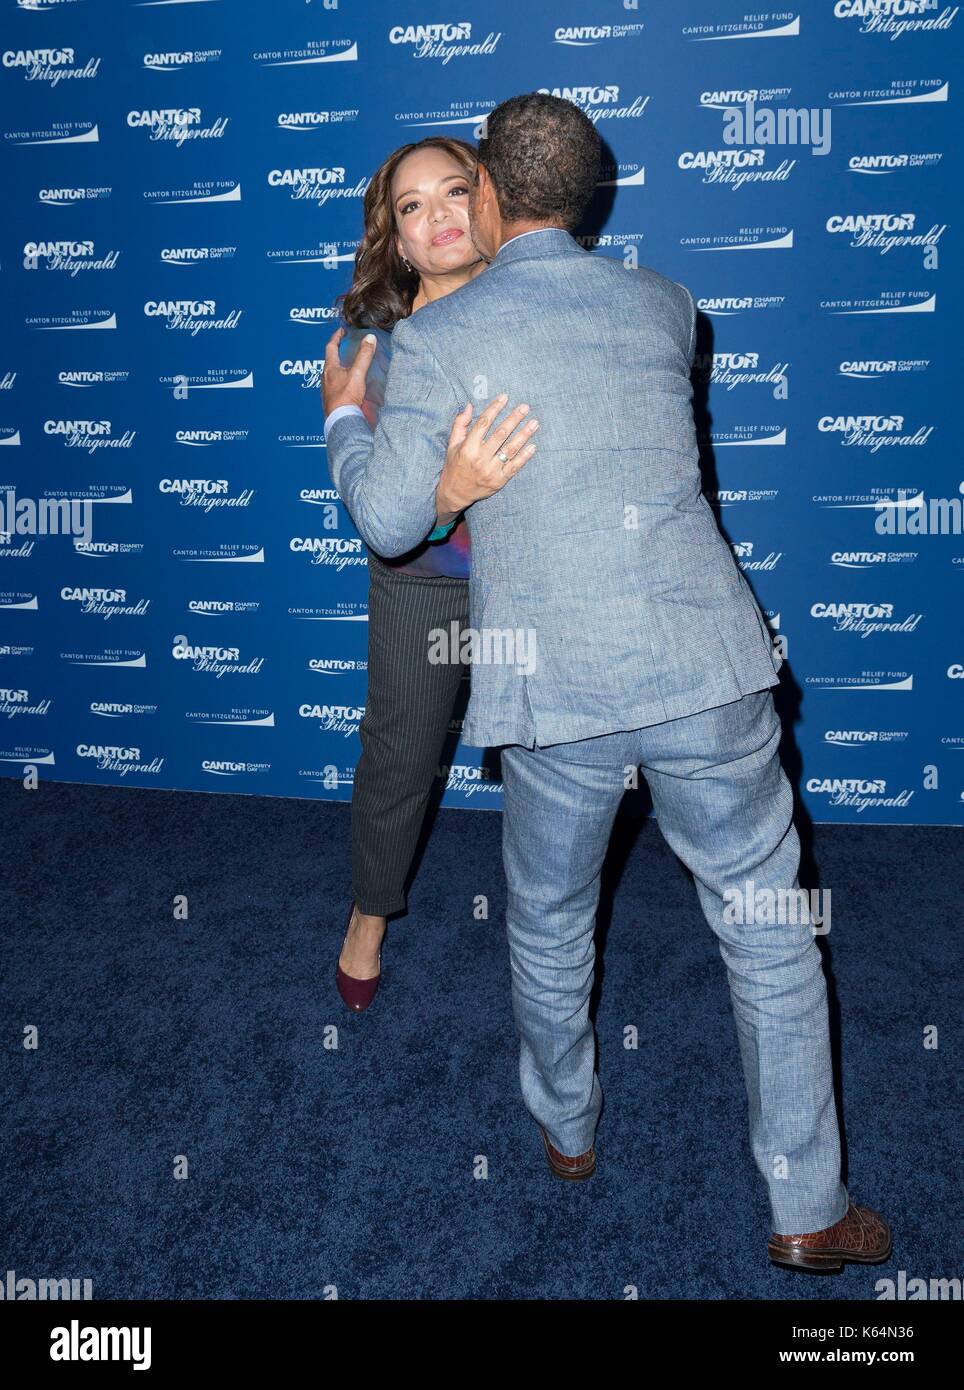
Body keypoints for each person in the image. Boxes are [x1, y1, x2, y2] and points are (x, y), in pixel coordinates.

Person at [322, 92, 891, 1273]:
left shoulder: (434, 345)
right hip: (706, 667)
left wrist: (343, 418)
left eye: (458, 186)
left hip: (555, 684)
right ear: (589, 195)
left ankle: (569, 1134)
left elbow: (384, 520)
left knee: (546, 918)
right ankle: (808, 1210)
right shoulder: (669, 304)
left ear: (484, 193)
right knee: (772, 933)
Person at [329, 136, 530, 1012]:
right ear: (397, 240)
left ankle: (548, 924)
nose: (439, 216)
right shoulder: (373, 350)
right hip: (425, 580)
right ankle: (368, 917)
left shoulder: (552, 315)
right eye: (412, 206)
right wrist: (447, 498)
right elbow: (386, 519)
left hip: (542, 572)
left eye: (455, 191)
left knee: (550, 758)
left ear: (488, 204)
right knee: (400, 759)